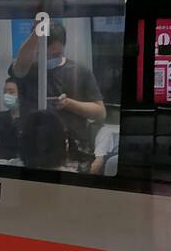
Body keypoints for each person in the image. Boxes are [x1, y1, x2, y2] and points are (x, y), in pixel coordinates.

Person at [9, 19, 105, 163]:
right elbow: (20, 66)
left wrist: (69, 104)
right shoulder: (28, 71)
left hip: (73, 152)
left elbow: (100, 113)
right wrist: (36, 34)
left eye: (57, 54)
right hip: (34, 150)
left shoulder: (79, 72)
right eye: (48, 55)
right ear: (38, 50)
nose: (53, 57)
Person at [0, 77, 22, 160]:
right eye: (5, 92)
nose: (6, 95)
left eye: (11, 92)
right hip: (2, 162)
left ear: (21, 94)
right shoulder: (1, 117)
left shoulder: (30, 118)